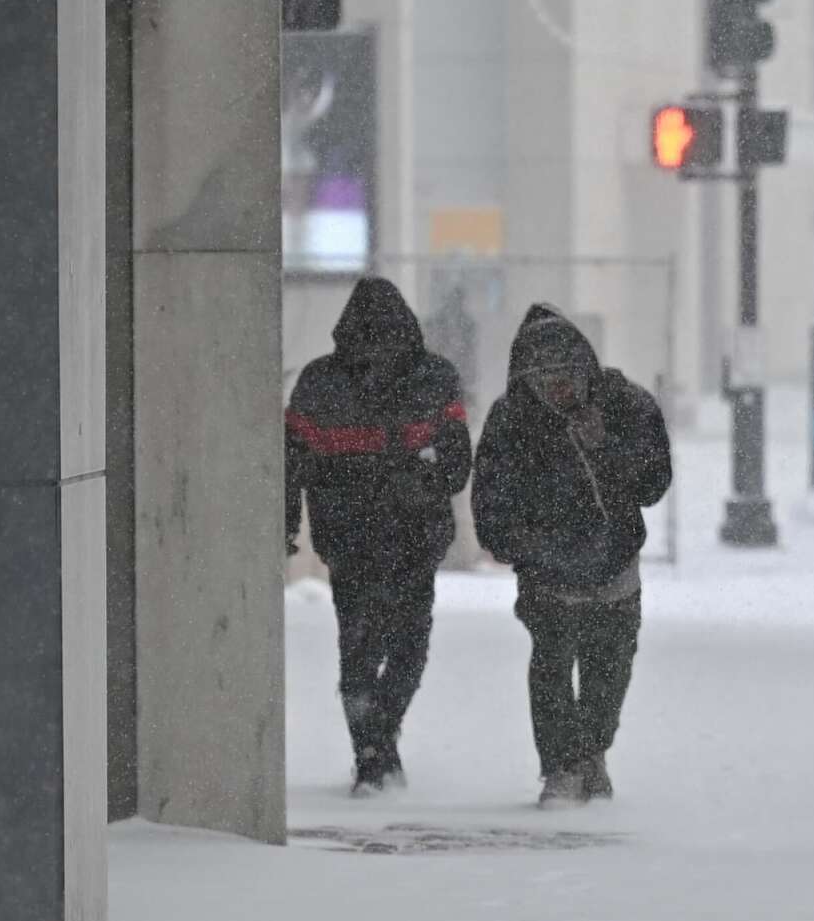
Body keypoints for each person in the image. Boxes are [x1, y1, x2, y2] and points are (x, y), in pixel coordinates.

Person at [470, 304, 673, 804]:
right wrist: (517, 545)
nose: (559, 387)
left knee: (610, 670)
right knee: (552, 668)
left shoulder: (627, 404)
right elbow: (490, 494)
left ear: (587, 369)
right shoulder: (511, 419)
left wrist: (607, 448)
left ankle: (591, 753)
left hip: (614, 562)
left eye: (567, 375)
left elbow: (653, 483)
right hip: (547, 569)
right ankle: (563, 766)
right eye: (545, 378)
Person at [285, 276, 471, 794]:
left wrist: (419, 483)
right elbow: (292, 462)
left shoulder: (328, 382)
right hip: (373, 540)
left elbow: (456, 462)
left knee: (385, 652)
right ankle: (374, 752)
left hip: (385, 539)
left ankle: (374, 745)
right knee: (382, 652)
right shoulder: (422, 377)